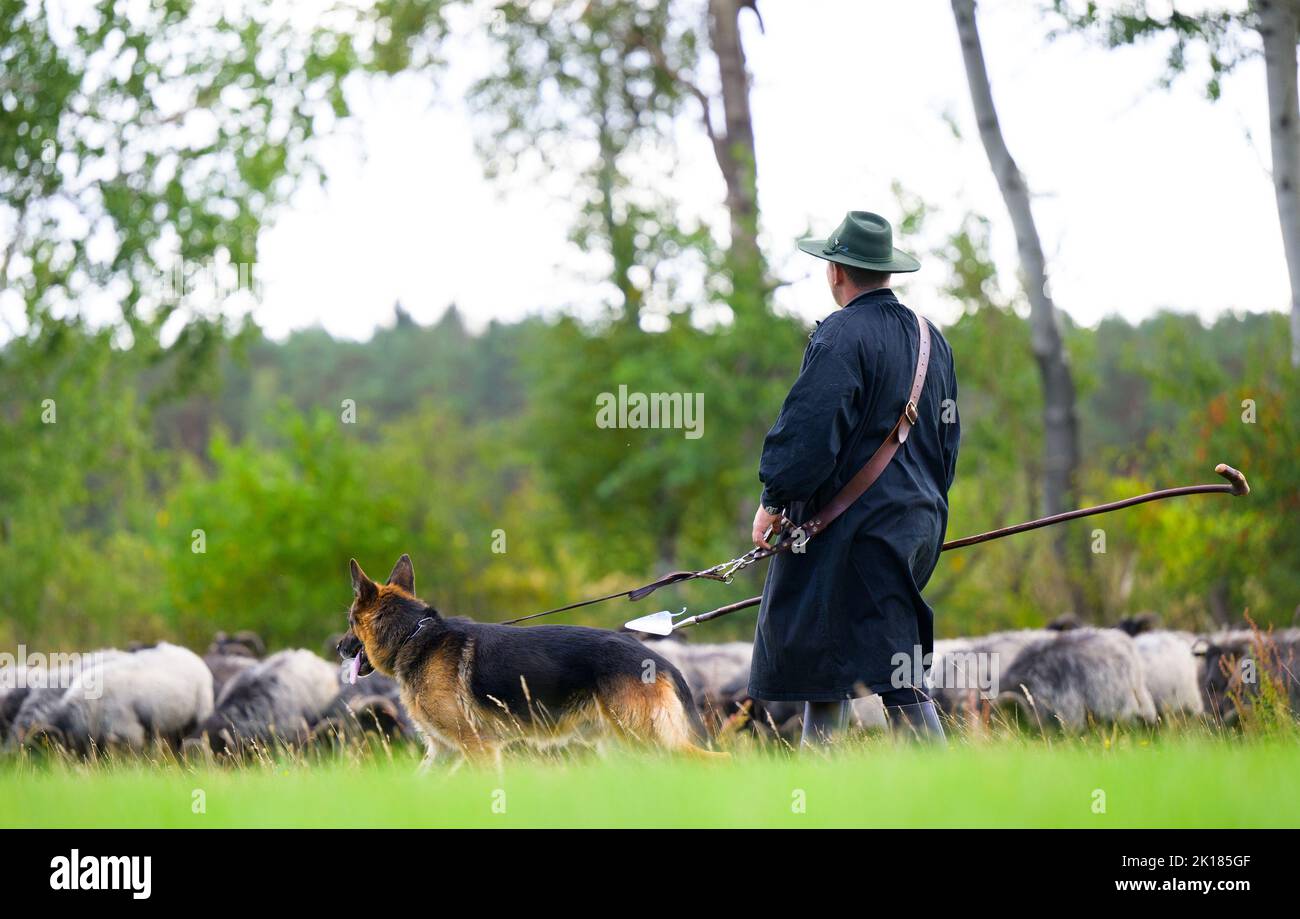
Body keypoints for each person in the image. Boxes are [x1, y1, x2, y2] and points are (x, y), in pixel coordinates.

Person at [747, 211, 960, 746]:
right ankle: (821, 785)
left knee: (889, 671)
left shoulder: (840, 334)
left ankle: (947, 786)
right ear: (886, 272)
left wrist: (775, 499)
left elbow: (810, 431)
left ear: (836, 271)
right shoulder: (932, 339)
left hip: (854, 532)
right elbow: (947, 442)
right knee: (853, 658)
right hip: (917, 524)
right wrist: (921, 508)